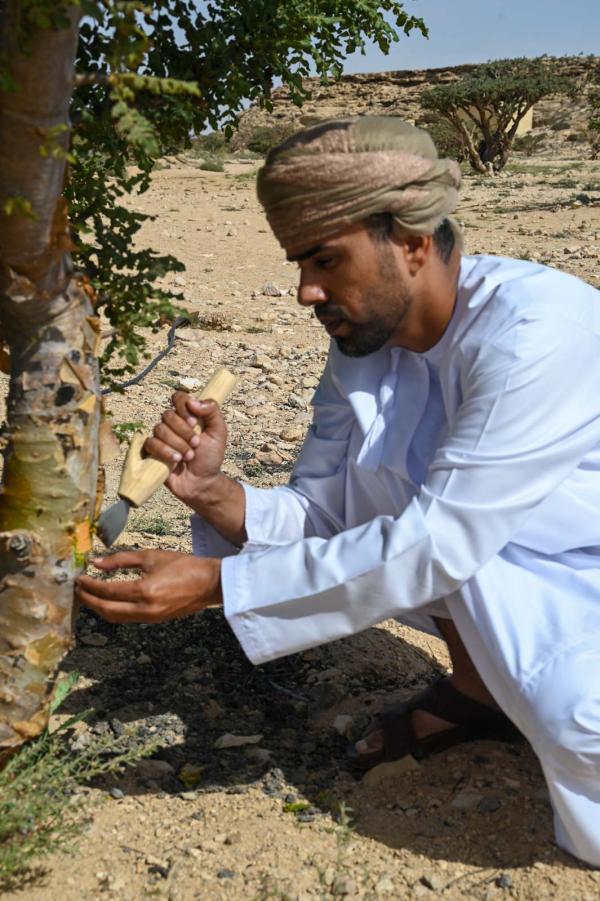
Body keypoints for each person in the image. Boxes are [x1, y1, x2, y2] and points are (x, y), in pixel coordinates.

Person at [77, 117, 600, 867]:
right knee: (408, 516)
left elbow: (434, 544)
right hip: (495, 558)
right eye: (299, 263)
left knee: (578, 720)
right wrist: (212, 490)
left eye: (326, 259)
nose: (305, 292)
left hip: (578, 567)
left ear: (411, 242)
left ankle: (513, 691)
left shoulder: (534, 335)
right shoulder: (364, 342)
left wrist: (217, 584)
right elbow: (328, 515)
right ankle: (481, 688)